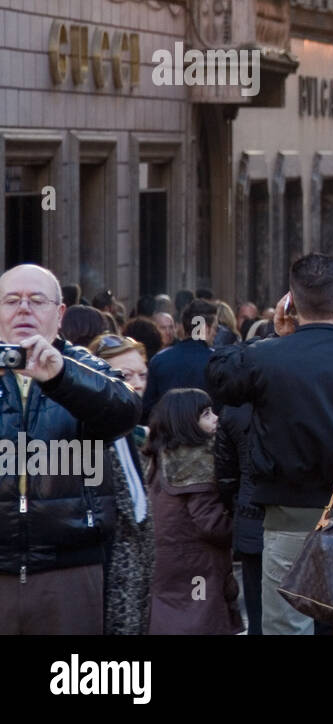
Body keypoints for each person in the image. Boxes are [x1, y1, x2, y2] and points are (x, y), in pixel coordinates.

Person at [214, 253, 333, 634]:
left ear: (290, 303)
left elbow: (219, 376)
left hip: (288, 515)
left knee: (286, 627)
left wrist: (273, 337)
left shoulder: (267, 358)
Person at [0, 264, 141, 634]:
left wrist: (61, 377)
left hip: (68, 567)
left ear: (59, 313)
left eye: (37, 301)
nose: (24, 309)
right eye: (12, 300)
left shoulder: (83, 365)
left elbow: (123, 410)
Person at [144, 388, 242, 634]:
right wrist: (241, 528)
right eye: (207, 413)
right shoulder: (195, 459)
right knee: (198, 614)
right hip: (196, 559)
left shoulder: (160, 454)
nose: (216, 418)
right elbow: (211, 523)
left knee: (169, 614)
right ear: (187, 421)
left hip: (165, 555)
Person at [87, 334, 154, 635]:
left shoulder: (130, 433)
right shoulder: (88, 435)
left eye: (142, 374)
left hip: (135, 576)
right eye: (125, 376)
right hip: (104, 575)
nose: (138, 384)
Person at [207, 344, 266, 635]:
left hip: (249, 510)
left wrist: (234, 504)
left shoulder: (230, 411)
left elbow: (225, 472)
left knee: (256, 603)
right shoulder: (283, 400)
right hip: (286, 513)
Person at [141, 298, 218, 425]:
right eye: (215, 327)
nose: (216, 332)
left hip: (167, 435)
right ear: (204, 328)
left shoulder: (159, 360)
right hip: (205, 435)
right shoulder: (217, 361)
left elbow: (148, 407)